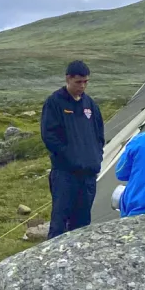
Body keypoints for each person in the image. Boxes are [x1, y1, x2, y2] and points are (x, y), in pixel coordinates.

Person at [41, 60, 104, 238]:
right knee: (60, 221)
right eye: (78, 82)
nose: (82, 86)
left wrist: (96, 157)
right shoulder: (55, 102)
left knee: (82, 223)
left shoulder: (90, 104)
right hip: (65, 173)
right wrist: (70, 157)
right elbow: (49, 136)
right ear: (68, 79)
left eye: (86, 82)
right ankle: (52, 260)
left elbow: (99, 134)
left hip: (88, 174)